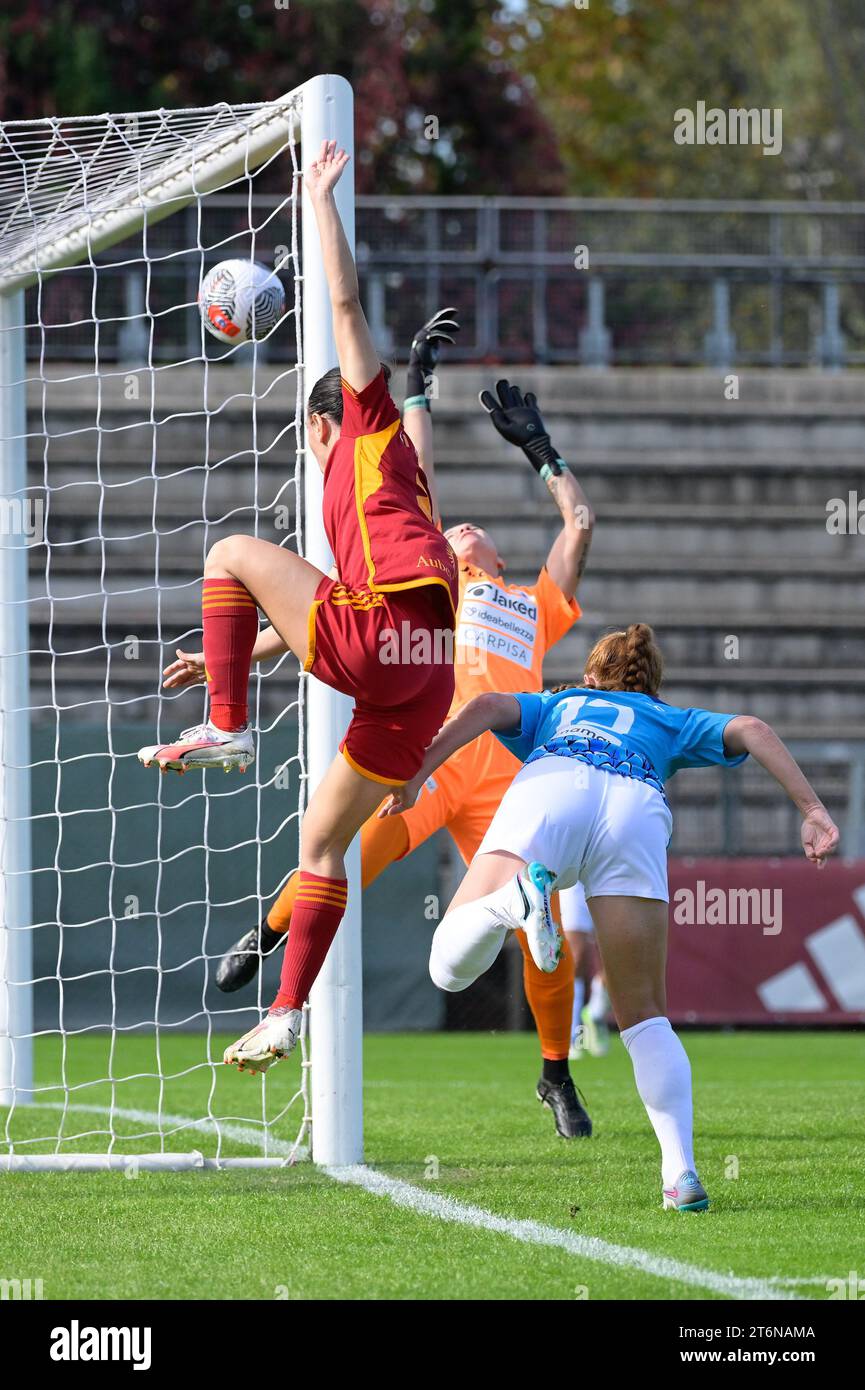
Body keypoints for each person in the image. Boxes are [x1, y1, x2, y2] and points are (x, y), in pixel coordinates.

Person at [215, 330, 597, 1135]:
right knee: (346, 859)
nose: (462, 533)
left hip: (499, 777)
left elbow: (581, 528)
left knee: (545, 929)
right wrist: (418, 392)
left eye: (475, 533)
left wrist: (541, 452)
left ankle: (555, 1073)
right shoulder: (427, 582)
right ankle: (269, 931)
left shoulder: (529, 606)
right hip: (423, 755)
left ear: (493, 552)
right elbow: (410, 483)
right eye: (454, 529)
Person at [138, 140, 458, 1072]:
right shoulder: (393, 479)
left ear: (323, 421)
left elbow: (347, 306)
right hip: (418, 676)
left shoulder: (359, 427)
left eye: (306, 432)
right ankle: (284, 1013)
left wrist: (318, 200)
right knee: (321, 849)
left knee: (229, 549)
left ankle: (228, 729)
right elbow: (333, 619)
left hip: (383, 636)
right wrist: (239, 652)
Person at [380, 623, 840, 1209]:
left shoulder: (562, 701)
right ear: (649, 686)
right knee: (645, 1018)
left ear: (592, 676)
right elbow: (752, 728)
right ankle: (681, 1175)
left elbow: (490, 704)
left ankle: (511, 903)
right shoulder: (666, 718)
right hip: (636, 802)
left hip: (555, 784)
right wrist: (812, 809)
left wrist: (419, 772)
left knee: (449, 969)